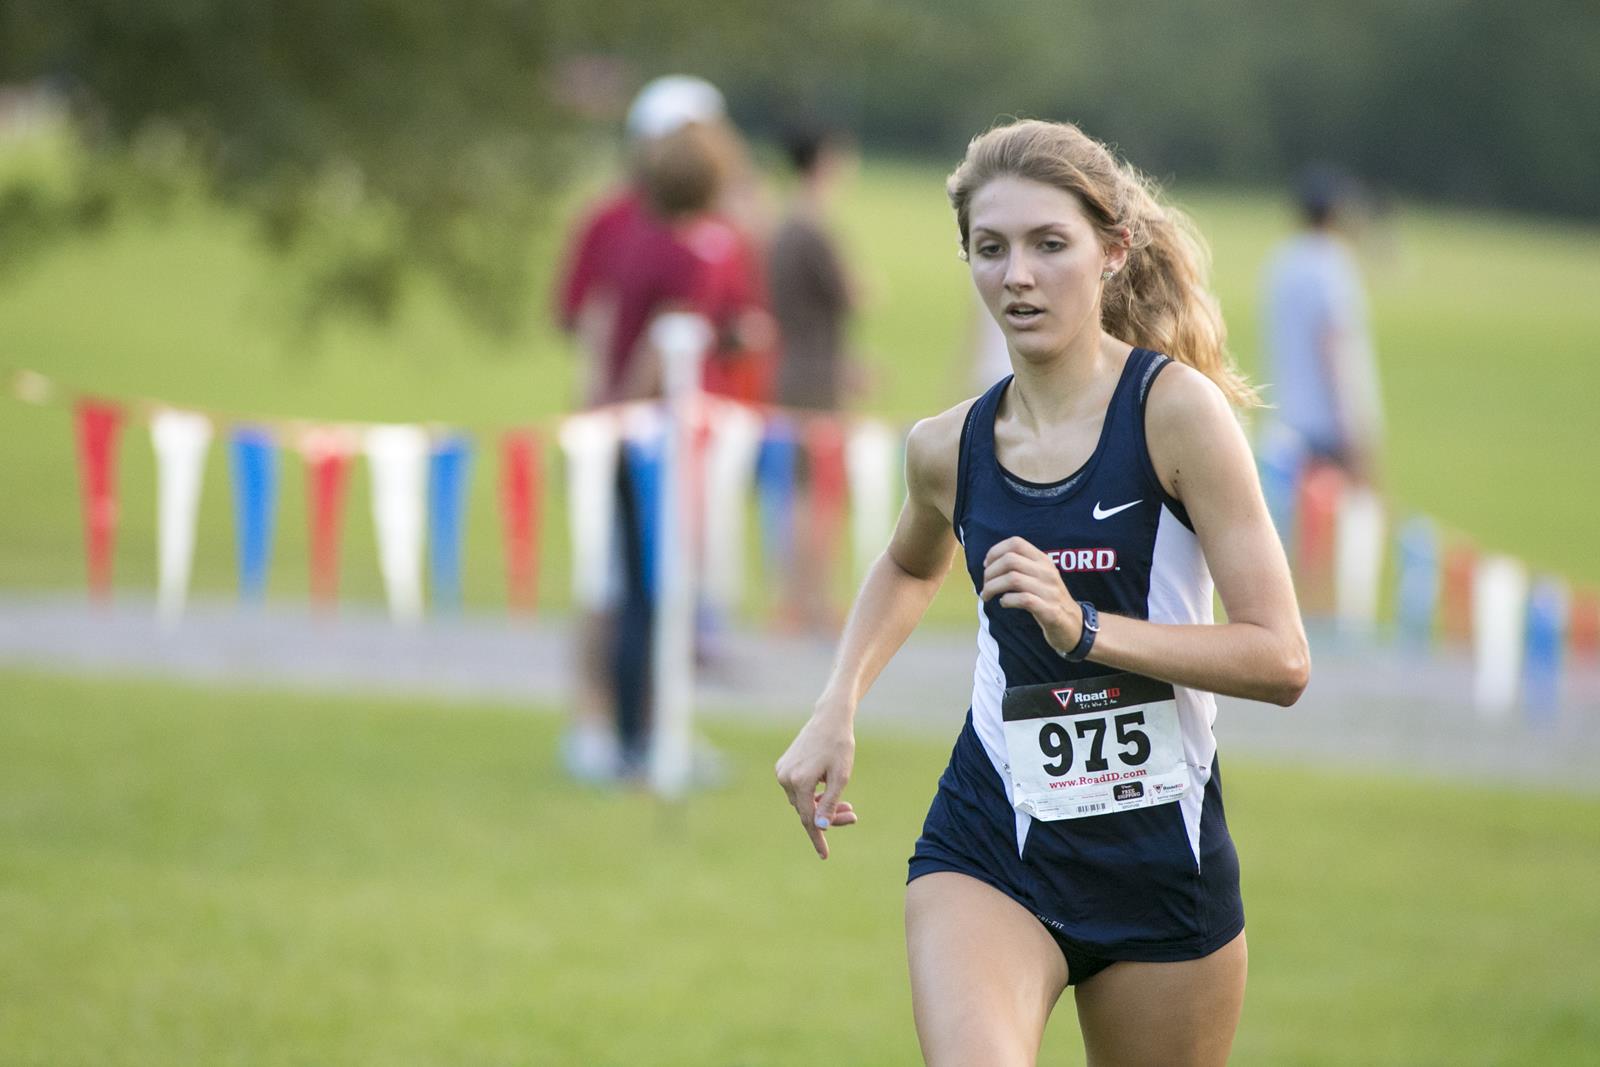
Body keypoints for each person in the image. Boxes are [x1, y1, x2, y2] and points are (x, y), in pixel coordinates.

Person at [774, 119, 1309, 1065]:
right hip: (991, 844)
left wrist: (1085, 627)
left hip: (1161, 862)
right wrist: (836, 704)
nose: (1017, 276)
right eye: (991, 249)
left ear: (1113, 250)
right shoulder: (947, 447)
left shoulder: (1176, 414)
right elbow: (909, 563)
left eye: (1048, 244)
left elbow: (1281, 657)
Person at [769, 121, 862, 632]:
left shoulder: (782, 226)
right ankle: (810, 601)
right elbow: (852, 293)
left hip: (792, 366)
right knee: (818, 493)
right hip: (816, 378)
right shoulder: (813, 228)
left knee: (797, 491)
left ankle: (798, 598)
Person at [1258, 166, 1384, 488]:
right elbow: (1335, 350)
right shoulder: (1332, 265)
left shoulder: (1282, 261)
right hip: (1327, 433)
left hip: (1285, 423)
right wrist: (1355, 434)